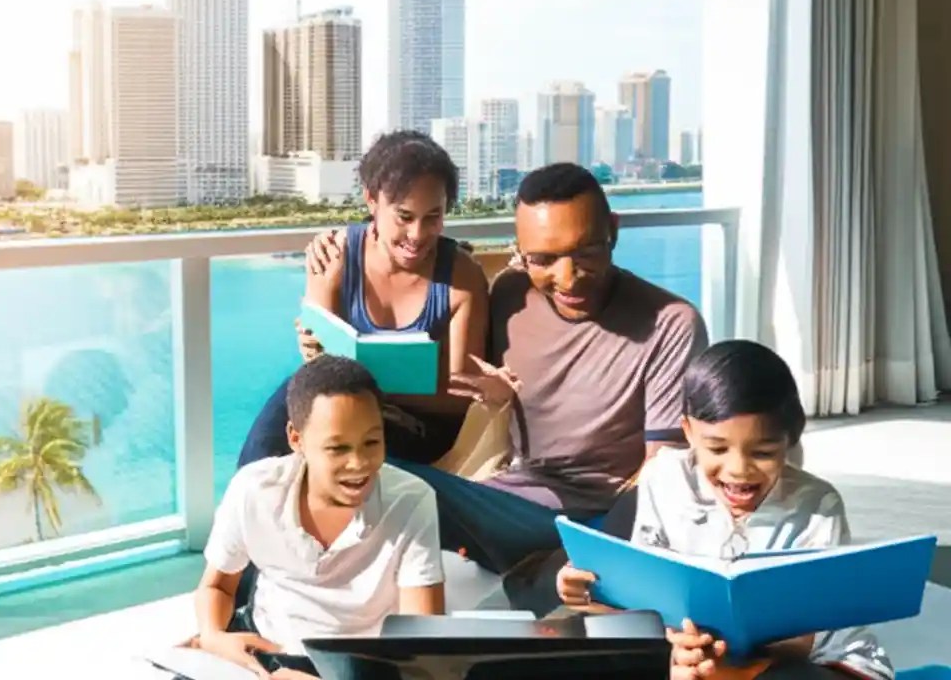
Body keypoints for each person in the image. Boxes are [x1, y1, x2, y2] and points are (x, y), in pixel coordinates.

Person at [303, 163, 708, 583]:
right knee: (318, 445)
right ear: (521, 251)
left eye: (587, 252)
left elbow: (662, 474)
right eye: (544, 259)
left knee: (390, 483)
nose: (568, 278)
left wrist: (599, 552)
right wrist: (334, 256)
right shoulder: (512, 292)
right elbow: (446, 297)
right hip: (502, 495)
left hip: (585, 517)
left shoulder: (670, 323)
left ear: (614, 231)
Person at [556, 340, 894, 680]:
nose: (738, 470)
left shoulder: (817, 505)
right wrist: (589, 592)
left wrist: (735, 672)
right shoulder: (665, 477)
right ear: (688, 431)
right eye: (717, 448)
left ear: (790, 439)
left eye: (762, 452)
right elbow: (644, 594)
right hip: (685, 652)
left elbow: (809, 634)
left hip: (789, 662)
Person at [238, 129, 497, 469]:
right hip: (341, 406)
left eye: (433, 217)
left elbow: (462, 398)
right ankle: (253, 509)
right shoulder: (334, 256)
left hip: (419, 427)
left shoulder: (461, 278)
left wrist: (377, 390)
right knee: (272, 437)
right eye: (404, 217)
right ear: (372, 200)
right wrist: (312, 348)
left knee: (339, 436)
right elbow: (318, 369)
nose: (417, 235)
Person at [196, 355, 445, 679]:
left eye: (372, 442)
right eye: (337, 449)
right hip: (265, 655)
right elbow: (217, 587)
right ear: (296, 439)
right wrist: (214, 637)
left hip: (360, 667)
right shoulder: (254, 489)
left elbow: (422, 649)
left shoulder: (412, 501)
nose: (359, 463)